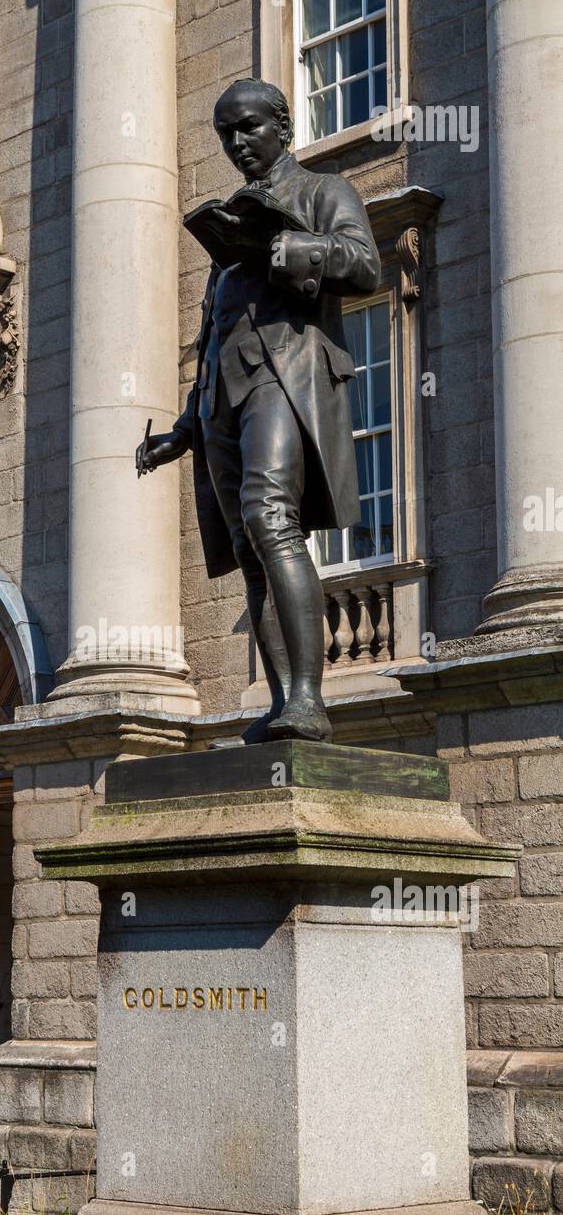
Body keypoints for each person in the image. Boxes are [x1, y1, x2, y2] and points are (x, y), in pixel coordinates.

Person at [138, 78, 380, 745]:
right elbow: (216, 336)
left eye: (247, 128)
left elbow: (365, 265)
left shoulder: (323, 192)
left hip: (286, 377)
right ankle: (282, 703)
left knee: (269, 518)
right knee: (250, 549)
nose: (236, 143)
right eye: (224, 134)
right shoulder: (233, 226)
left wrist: (295, 250)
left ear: (281, 126)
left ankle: (308, 700)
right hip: (224, 398)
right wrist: (182, 430)